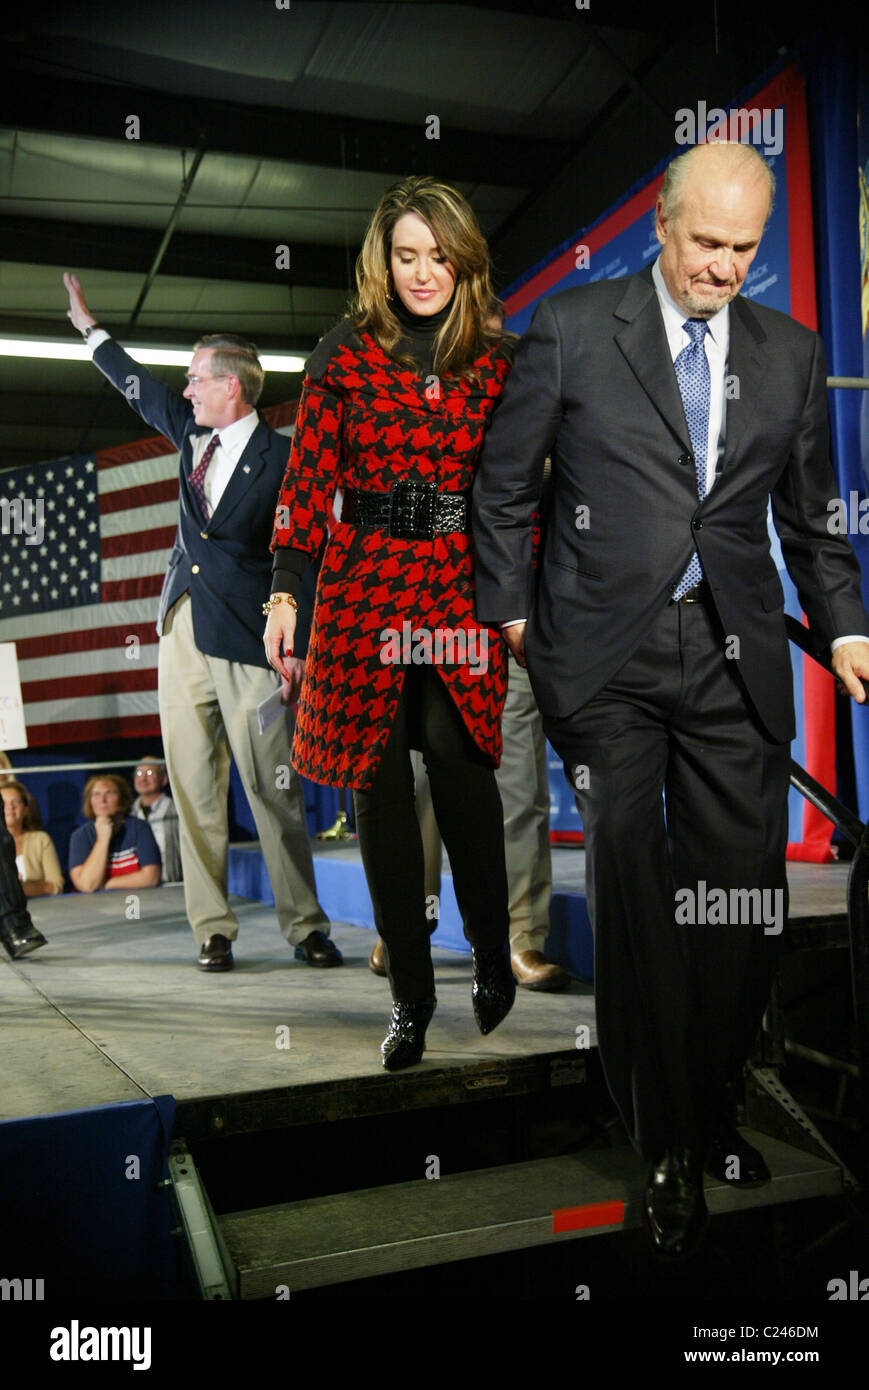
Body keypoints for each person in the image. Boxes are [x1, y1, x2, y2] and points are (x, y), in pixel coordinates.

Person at [472, 140, 869, 1258]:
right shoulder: (570, 329)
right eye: (706, 243)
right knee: (637, 893)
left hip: (733, 652)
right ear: (661, 220)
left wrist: (841, 624)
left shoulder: (787, 353)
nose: (724, 267)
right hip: (601, 662)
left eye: (744, 248)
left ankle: (704, 1100)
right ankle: (662, 1145)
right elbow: (502, 491)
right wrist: (512, 620)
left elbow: (810, 514)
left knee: (741, 906)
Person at [264, 175, 516, 1069]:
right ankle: (410, 993)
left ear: (463, 259)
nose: (422, 272)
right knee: (374, 786)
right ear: (383, 261)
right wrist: (287, 593)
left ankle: (492, 950)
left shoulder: (497, 360)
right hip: (363, 581)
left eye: (437, 255)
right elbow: (304, 485)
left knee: (457, 761)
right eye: (405, 255)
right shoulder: (340, 353)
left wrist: (521, 596)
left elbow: (519, 489)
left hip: (454, 583)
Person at [63, 274, 337, 972]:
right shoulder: (189, 432)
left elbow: (302, 555)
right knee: (192, 789)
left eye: (195, 380)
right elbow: (138, 388)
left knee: (273, 789)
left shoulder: (284, 458)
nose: (184, 390)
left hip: (253, 644)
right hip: (180, 634)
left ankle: (304, 925)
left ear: (232, 389)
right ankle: (211, 930)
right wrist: (93, 333)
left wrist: (296, 643)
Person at [69, 774, 162, 892]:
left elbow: (151, 878)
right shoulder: (80, 835)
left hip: (136, 903)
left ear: (122, 799)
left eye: (109, 793)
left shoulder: (140, 828)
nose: (102, 800)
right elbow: (87, 885)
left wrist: (104, 885)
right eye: (96, 794)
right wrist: (102, 840)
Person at [1, 780, 64, 897]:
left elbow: (56, 885)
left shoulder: (41, 840)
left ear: (25, 809)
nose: (10, 807)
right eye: (3, 802)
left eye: (15, 801)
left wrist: (20, 888)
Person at [131, 756, 182, 884]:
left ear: (164, 779)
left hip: (172, 886)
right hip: (137, 888)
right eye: (138, 773)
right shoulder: (128, 814)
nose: (143, 778)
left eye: (149, 773)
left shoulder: (178, 811)